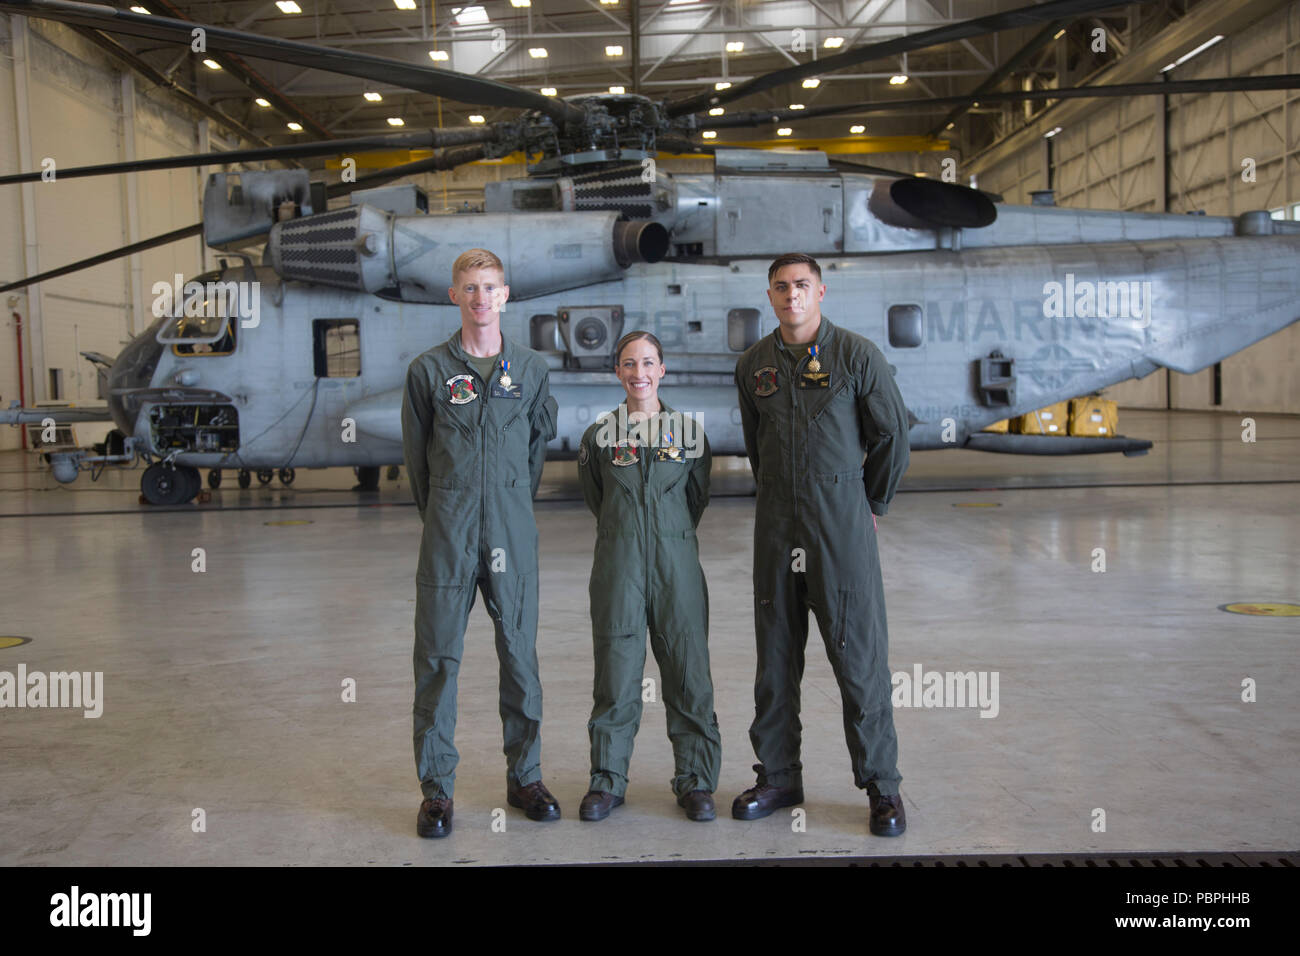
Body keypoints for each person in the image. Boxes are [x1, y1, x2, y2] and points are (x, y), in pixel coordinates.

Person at [731, 252, 911, 836]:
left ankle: (882, 787)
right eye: (781, 287)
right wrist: (781, 497)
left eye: (801, 285)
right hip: (778, 524)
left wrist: (870, 505)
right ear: (770, 295)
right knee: (776, 655)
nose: (791, 296)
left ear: (821, 291)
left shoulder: (856, 356)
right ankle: (780, 775)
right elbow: (757, 446)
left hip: (840, 523)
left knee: (858, 655)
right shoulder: (754, 364)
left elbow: (891, 434)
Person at [401, 247, 560, 838]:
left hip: (512, 535)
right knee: (439, 660)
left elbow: (536, 452)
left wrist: (508, 501)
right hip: (448, 533)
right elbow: (417, 463)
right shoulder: (428, 372)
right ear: (454, 296)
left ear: (505, 294)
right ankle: (437, 791)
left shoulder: (532, 370)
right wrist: (449, 510)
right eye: (469, 288)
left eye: (489, 287)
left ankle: (526, 778)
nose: (480, 298)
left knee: (520, 657)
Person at [576, 331, 722, 822]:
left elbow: (695, 498)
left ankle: (697, 783)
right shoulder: (599, 436)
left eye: (648, 363)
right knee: (616, 675)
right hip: (618, 565)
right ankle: (607, 781)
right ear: (617, 372)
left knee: (688, 672)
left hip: (676, 565)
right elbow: (599, 500)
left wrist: (666, 536)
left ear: (662, 370)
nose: (639, 372)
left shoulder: (690, 434)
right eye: (629, 363)